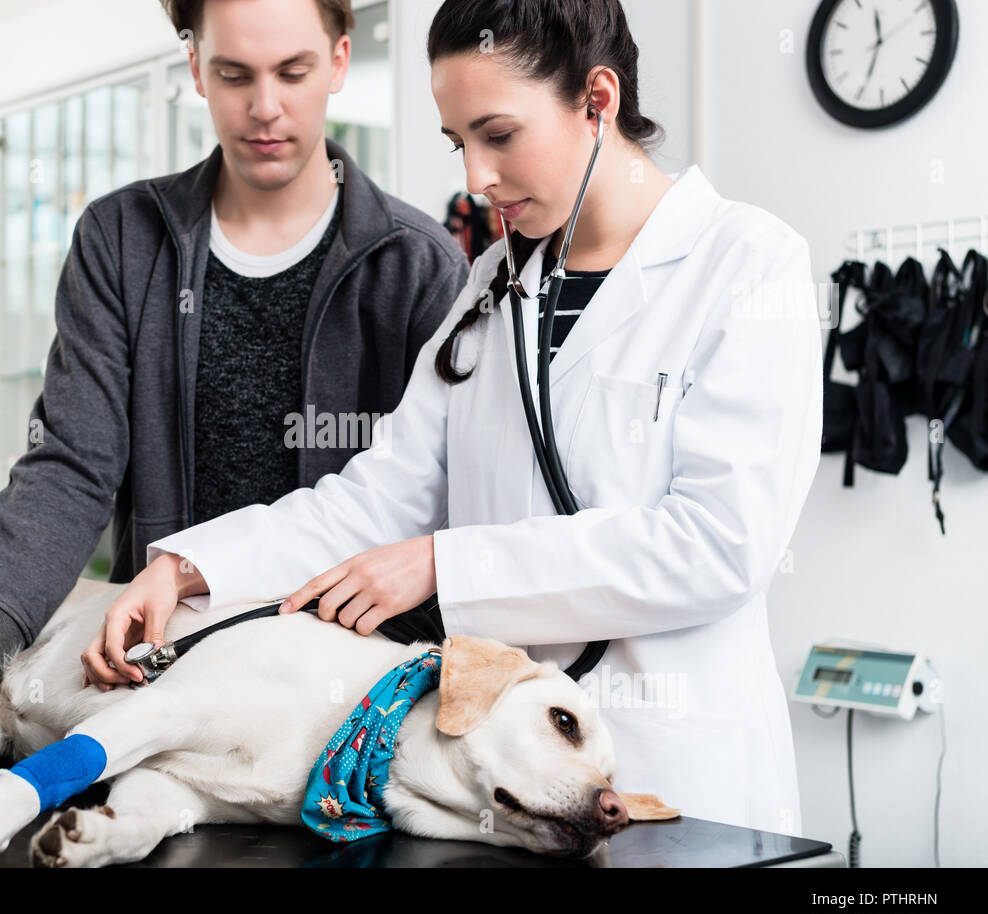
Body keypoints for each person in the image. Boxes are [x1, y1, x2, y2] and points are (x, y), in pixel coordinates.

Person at [101, 0, 824, 836]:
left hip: (677, 774)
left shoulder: (745, 264)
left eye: (499, 135)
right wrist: (190, 567)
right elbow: (374, 502)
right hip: (503, 780)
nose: (476, 176)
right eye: (459, 144)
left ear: (597, 98)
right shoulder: (492, 286)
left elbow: (718, 545)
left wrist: (449, 564)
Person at [0, 0, 469, 779]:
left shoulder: (417, 267)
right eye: (234, 73)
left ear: (341, 60)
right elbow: (70, 467)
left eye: (294, 72)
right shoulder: (122, 240)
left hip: (335, 712)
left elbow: (432, 507)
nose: (264, 107)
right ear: (194, 64)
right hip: (149, 682)